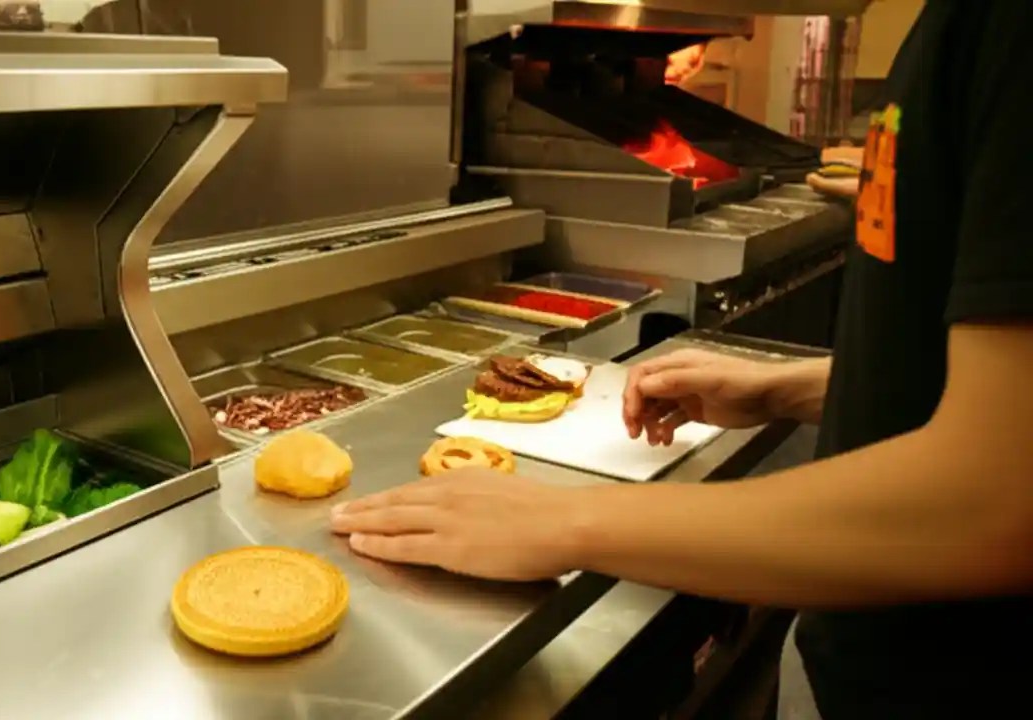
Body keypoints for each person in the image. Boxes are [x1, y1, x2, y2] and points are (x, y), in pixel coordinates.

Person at [330, 2, 1033, 717]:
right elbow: (981, 393)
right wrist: (788, 390)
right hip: (863, 648)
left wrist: (563, 524)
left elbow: (1000, 499)